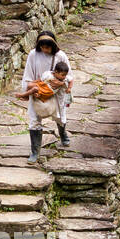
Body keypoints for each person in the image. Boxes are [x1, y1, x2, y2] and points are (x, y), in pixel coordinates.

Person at [16, 31, 72, 162]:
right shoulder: (33, 55)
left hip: (56, 92)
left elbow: (69, 74)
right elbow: (28, 73)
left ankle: (63, 133)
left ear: (53, 45)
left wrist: (62, 82)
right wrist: (28, 89)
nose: (44, 50)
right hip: (39, 91)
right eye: (42, 47)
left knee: (60, 116)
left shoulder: (61, 56)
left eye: (47, 47)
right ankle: (35, 152)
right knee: (35, 119)